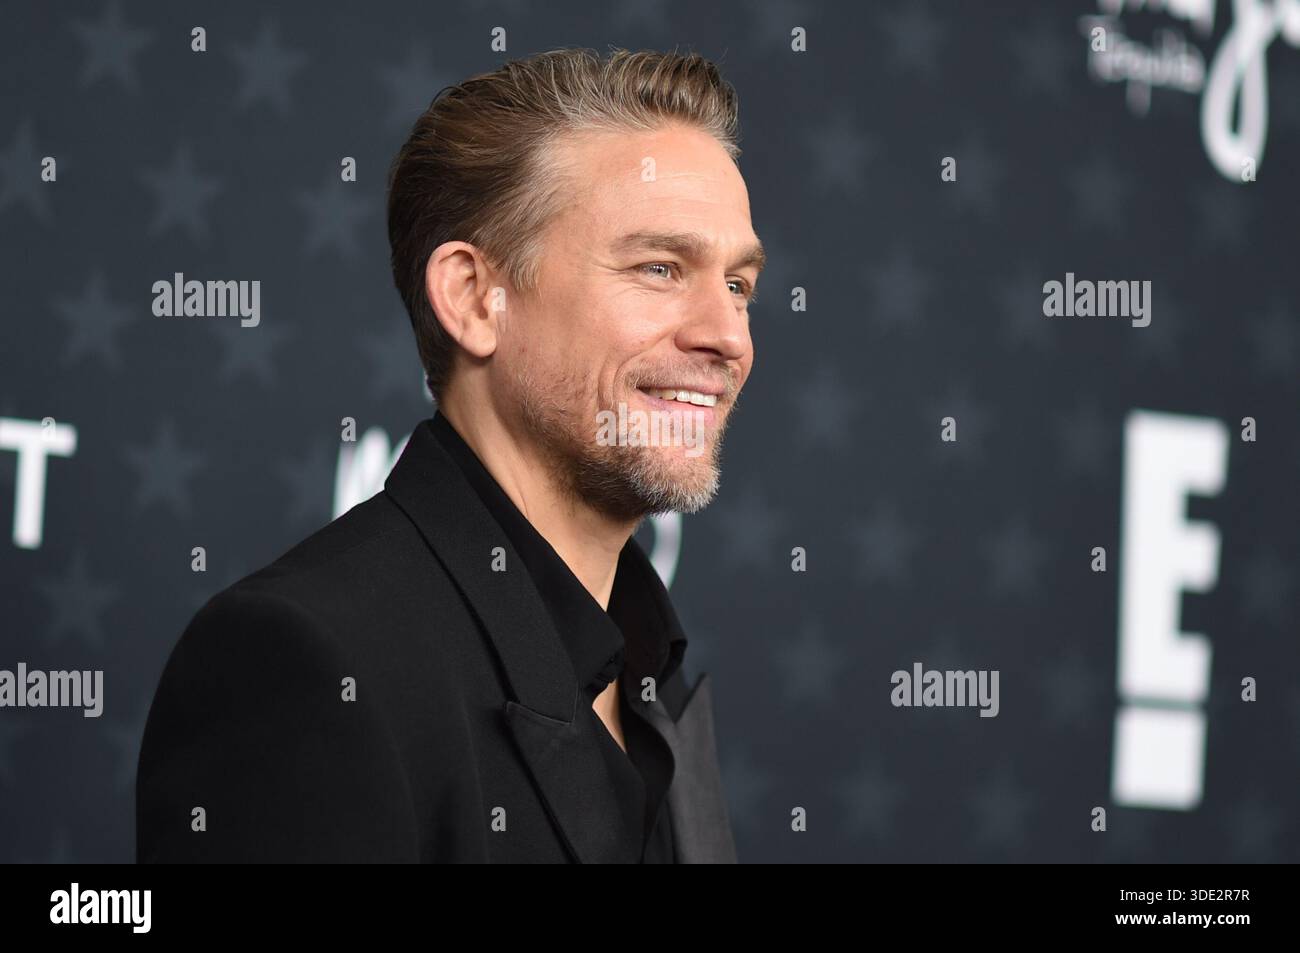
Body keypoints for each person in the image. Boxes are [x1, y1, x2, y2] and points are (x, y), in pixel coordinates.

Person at [137, 46, 763, 863]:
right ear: (473, 299)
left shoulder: (652, 675)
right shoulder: (304, 663)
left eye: (740, 284)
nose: (725, 336)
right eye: (659, 267)